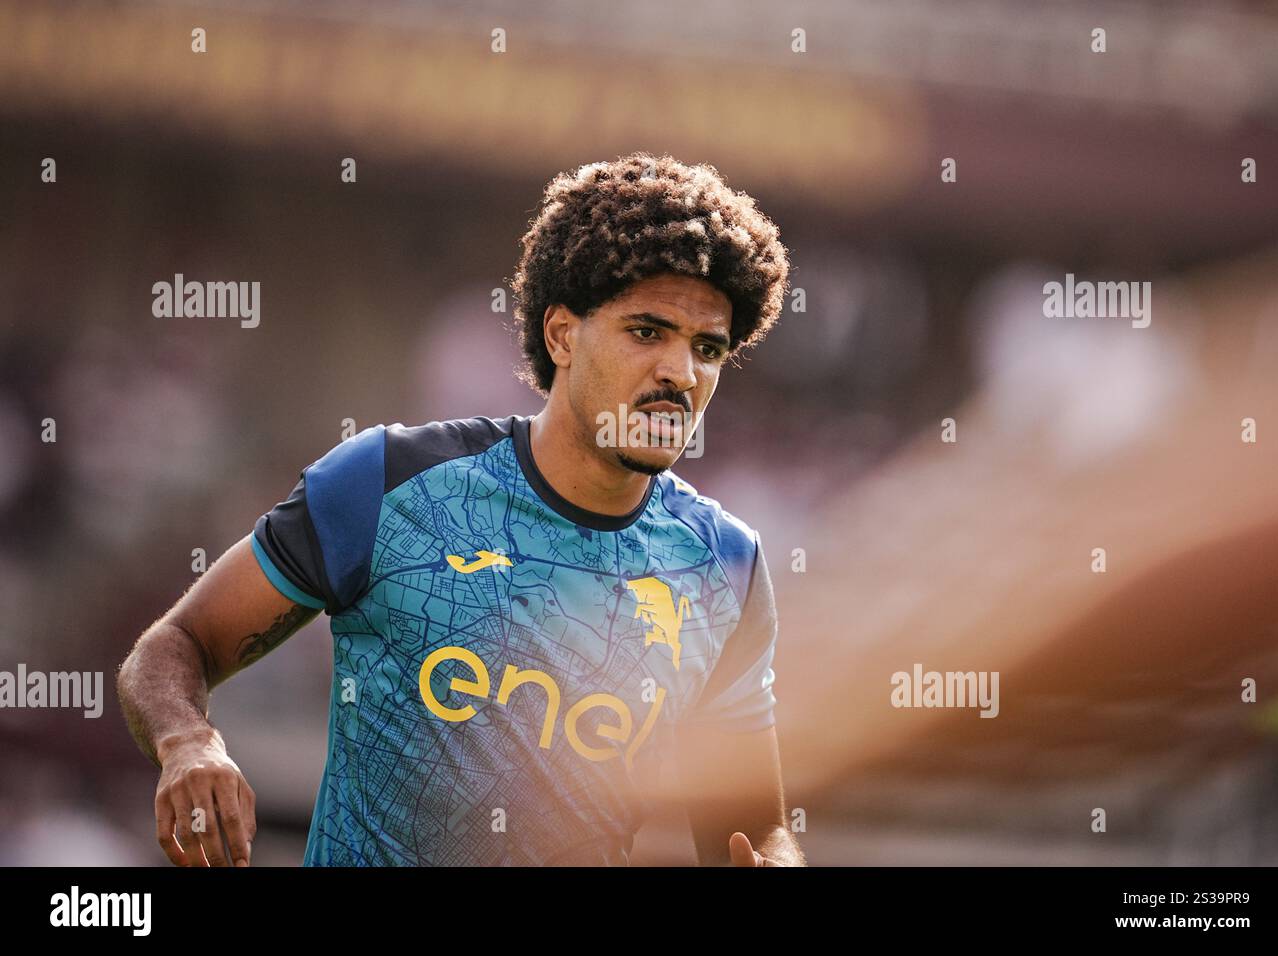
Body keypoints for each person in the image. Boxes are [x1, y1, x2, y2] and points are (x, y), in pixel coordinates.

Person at [117, 152, 804, 866]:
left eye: (709, 348)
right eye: (647, 332)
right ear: (562, 334)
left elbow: (753, 834)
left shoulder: (727, 567)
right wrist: (188, 744)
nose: (680, 372)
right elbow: (173, 647)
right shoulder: (386, 482)